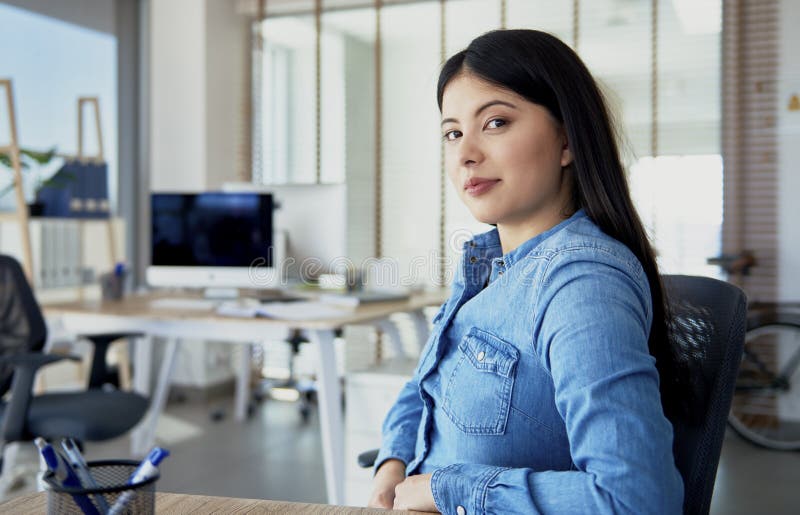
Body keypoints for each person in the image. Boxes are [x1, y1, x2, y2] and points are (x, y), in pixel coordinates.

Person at [367, 29, 684, 514]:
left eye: (494, 122)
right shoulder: (484, 262)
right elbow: (426, 386)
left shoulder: (580, 282)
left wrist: (445, 487)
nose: (465, 153)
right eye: (453, 133)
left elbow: (636, 501)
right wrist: (394, 461)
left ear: (567, 140)